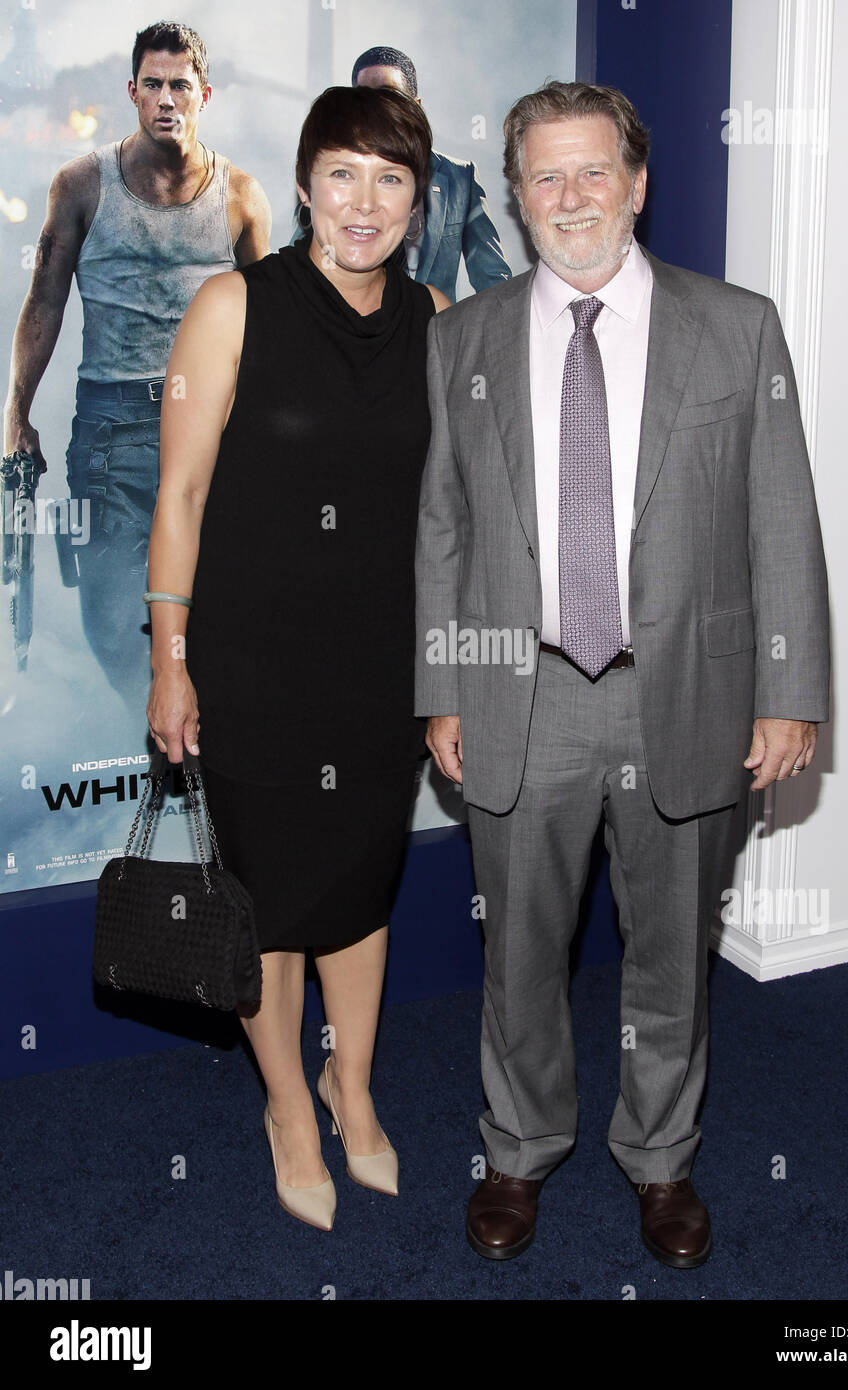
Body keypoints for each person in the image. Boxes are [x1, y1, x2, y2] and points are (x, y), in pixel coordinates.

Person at [415, 81, 830, 1264]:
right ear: (515, 194)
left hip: (684, 690)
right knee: (520, 948)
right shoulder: (464, 336)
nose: (569, 196)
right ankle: (517, 1145)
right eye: (543, 176)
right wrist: (443, 683)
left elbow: (781, 518)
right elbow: (439, 525)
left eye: (593, 171)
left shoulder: (736, 326)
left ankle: (659, 1159)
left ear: (637, 184)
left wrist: (789, 687)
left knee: (670, 952)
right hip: (521, 691)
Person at [145, 84, 448, 1231]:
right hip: (253, 656)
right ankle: (285, 1103)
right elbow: (176, 495)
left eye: (389, 179)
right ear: (307, 181)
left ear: (415, 202)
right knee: (270, 897)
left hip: (379, 661)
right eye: (341, 174)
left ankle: (351, 1087)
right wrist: (170, 659)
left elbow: (447, 513)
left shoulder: (431, 316)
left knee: (360, 884)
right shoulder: (235, 305)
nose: (362, 201)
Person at [1, 21, 270, 702]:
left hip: (211, 423)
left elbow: (266, 322)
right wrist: (16, 415)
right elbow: (43, 302)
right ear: (132, 92)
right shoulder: (80, 185)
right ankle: (140, 729)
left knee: (215, 600)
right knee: (111, 610)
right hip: (110, 427)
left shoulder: (241, 195)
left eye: (180, 84)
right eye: (152, 84)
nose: (166, 99)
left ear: (203, 92)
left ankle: (206, 747)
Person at [350, 45, 511, 302]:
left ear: (416, 106)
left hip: (434, 336)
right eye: (363, 97)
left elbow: (492, 279)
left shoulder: (460, 178)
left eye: (389, 95)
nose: (376, 108)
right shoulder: (333, 178)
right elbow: (301, 272)